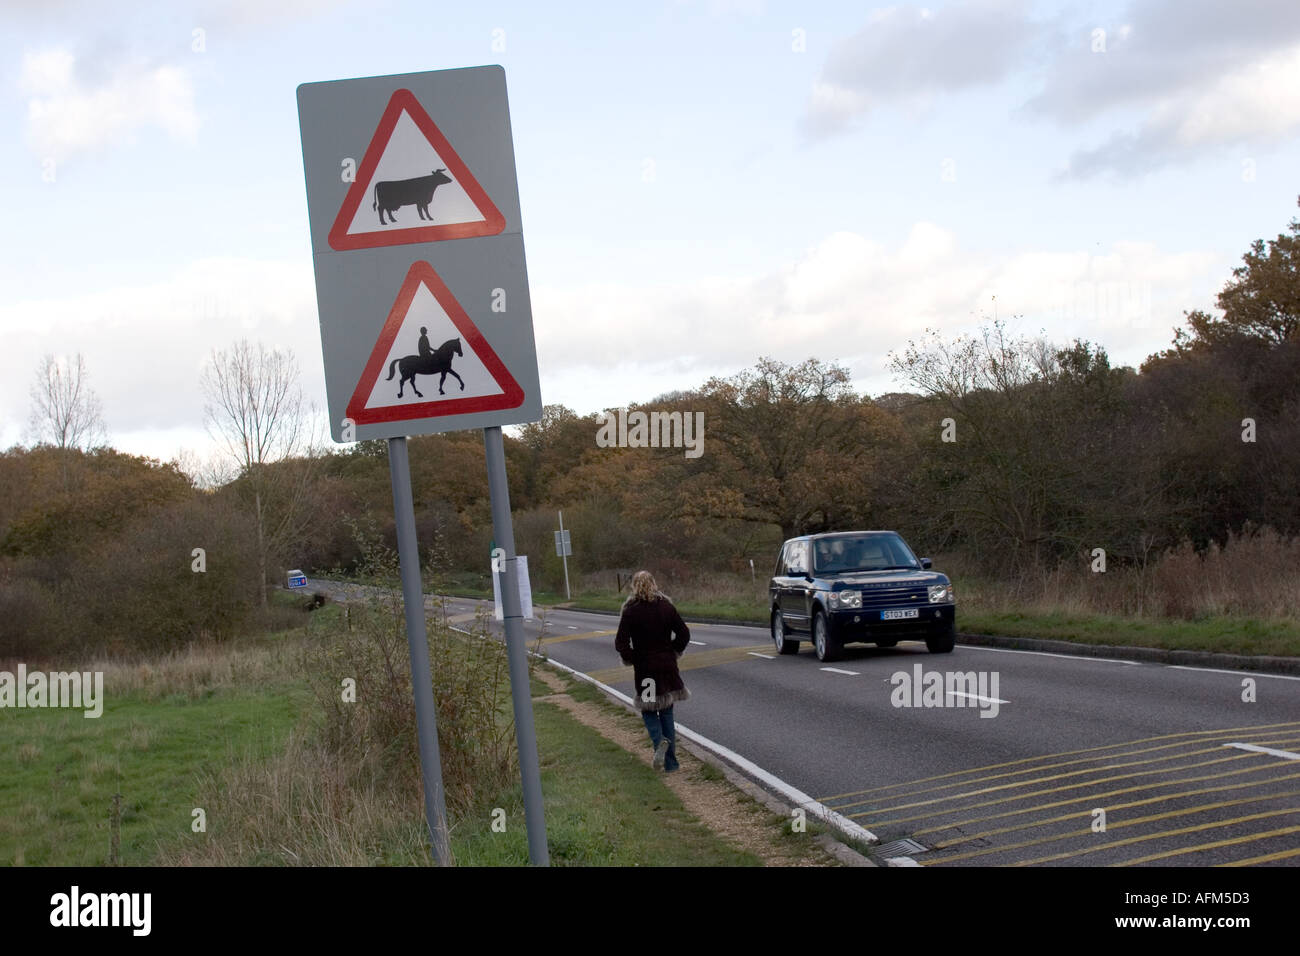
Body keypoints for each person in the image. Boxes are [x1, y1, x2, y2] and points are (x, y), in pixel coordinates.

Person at [614, 570, 690, 772]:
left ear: (634, 586)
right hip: (666, 667)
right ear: (654, 584)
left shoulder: (630, 611)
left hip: (646, 670)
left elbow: (620, 642)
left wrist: (632, 657)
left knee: (648, 710)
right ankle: (672, 764)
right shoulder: (666, 607)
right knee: (666, 711)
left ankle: (659, 742)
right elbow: (684, 633)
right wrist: (674, 651)